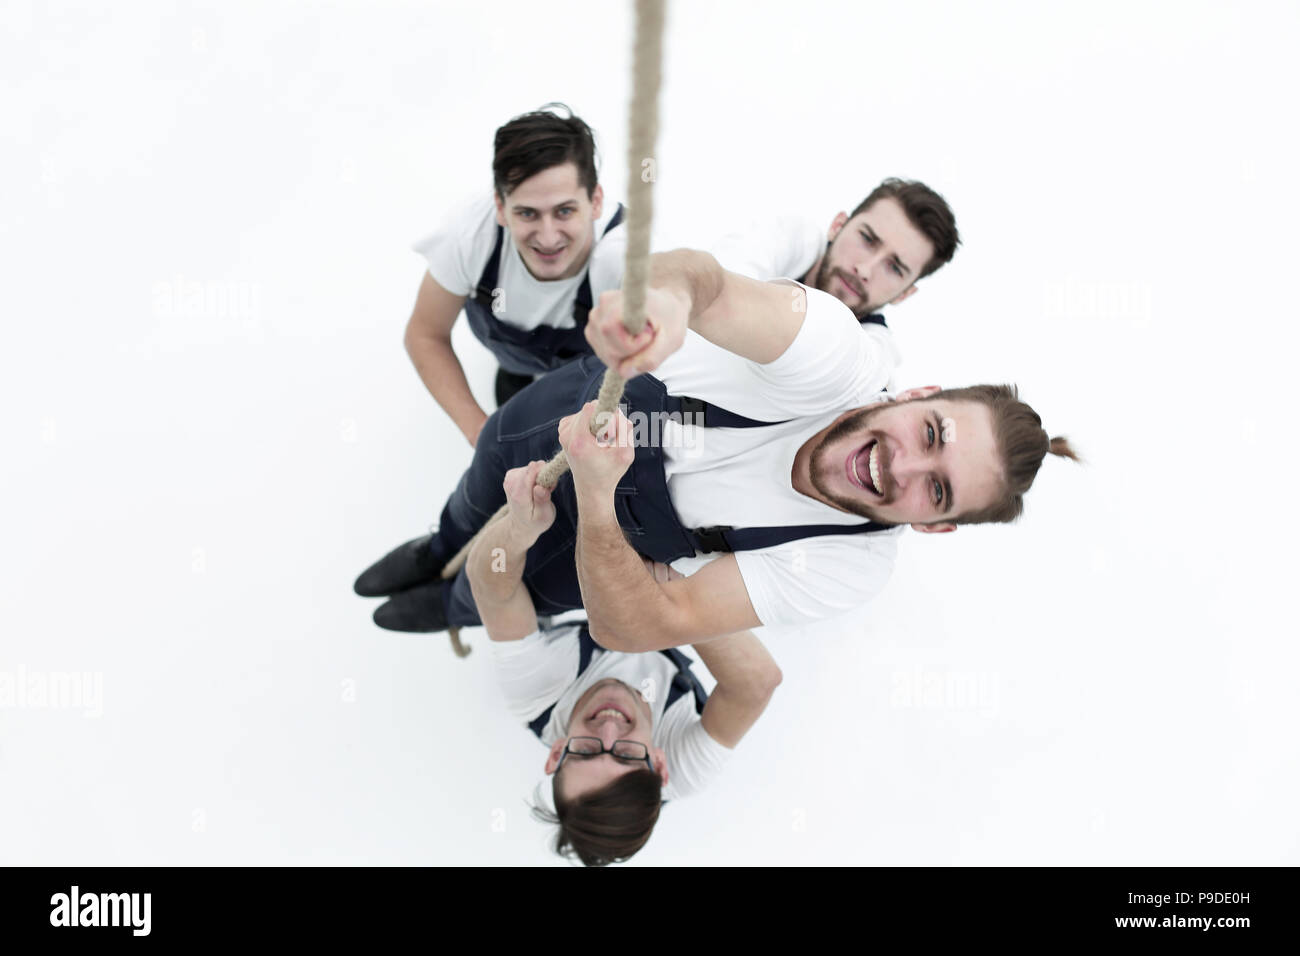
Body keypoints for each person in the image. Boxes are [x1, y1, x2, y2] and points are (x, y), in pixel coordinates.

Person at [354, 250, 1078, 649]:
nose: (902, 465)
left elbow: (635, 625)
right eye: (932, 434)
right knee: (477, 495)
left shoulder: (849, 567)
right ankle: (439, 541)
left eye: (938, 489)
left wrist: (600, 505)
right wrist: (669, 303)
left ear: (934, 526)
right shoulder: (838, 355)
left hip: (591, 559)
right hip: (559, 423)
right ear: (921, 392)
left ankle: (450, 608)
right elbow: (708, 287)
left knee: (491, 588)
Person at [465, 459, 780, 866]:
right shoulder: (685, 772)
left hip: (567, 599)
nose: (610, 728)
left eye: (585, 751)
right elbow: (757, 684)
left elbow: (492, 587)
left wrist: (520, 528)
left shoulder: (538, 697)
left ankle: (435, 585)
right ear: (660, 765)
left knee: (472, 589)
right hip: (660, 596)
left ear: (557, 752)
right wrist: (674, 605)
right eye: (628, 755)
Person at [404, 103, 627, 446]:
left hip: (592, 379)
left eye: (565, 211)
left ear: (595, 201)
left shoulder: (623, 253)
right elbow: (425, 334)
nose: (549, 237)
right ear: (500, 208)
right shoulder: (467, 237)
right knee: (514, 391)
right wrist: (482, 434)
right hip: (514, 366)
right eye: (527, 213)